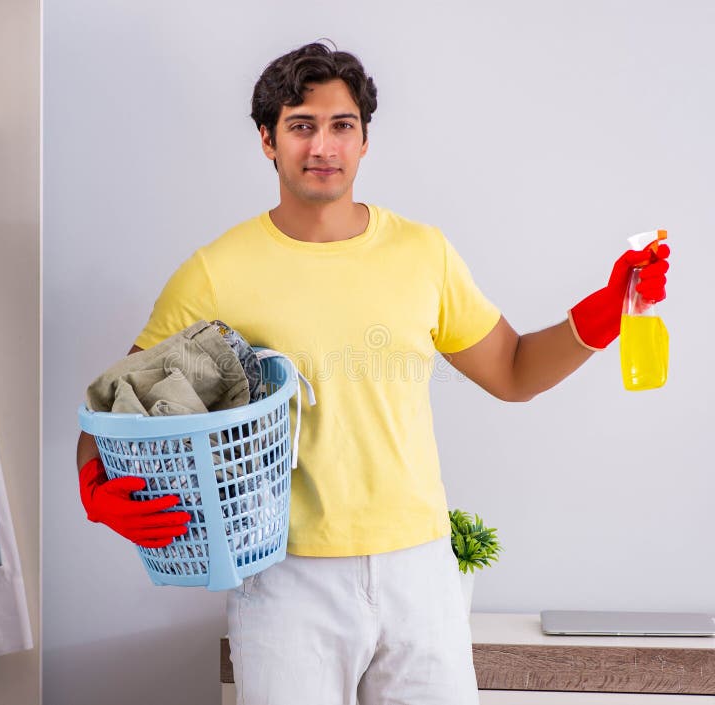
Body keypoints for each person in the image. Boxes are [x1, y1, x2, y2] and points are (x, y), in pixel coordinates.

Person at [75, 41, 669, 705]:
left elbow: (512, 370)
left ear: (364, 140)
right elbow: (116, 407)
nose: (323, 146)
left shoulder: (422, 253)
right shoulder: (216, 272)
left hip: (421, 571)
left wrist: (607, 314)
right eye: (301, 126)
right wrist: (96, 486)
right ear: (268, 140)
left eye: (342, 125)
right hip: (285, 577)